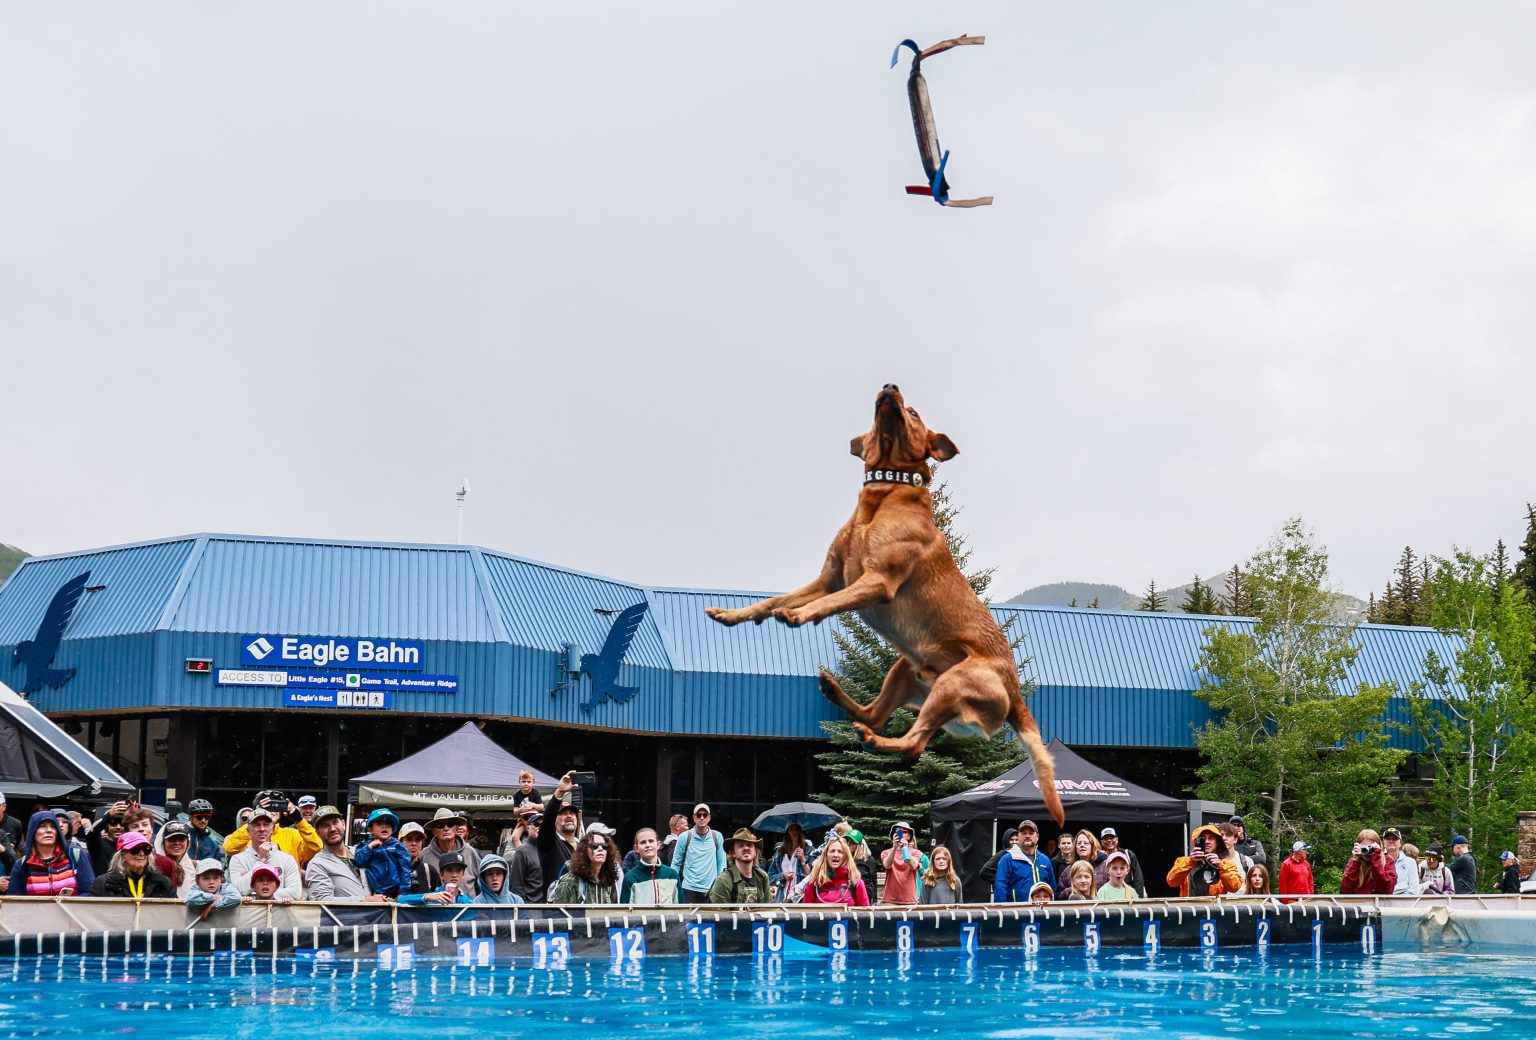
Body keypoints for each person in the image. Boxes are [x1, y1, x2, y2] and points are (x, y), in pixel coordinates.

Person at [8, 809, 95, 896]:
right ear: (33, 831)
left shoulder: (76, 856)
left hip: (71, 909)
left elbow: (89, 892)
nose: (49, 830)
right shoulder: (22, 865)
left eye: (53, 826)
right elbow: (14, 901)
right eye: (42, 826)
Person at [222, 791, 321, 867]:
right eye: (268, 807)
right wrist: (256, 818)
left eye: (276, 806)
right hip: (256, 891)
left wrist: (299, 820)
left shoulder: (293, 835)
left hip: (289, 892)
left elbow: (317, 846)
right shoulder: (249, 837)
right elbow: (229, 847)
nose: (272, 811)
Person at [306, 804, 380, 902]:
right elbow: (322, 902)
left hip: (377, 916)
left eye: (335, 822)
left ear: (343, 824)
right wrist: (366, 900)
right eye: (325, 826)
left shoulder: (361, 852)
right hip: (341, 917)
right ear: (318, 833)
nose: (332, 829)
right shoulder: (317, 864)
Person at [226, 806, 303, 900]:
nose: (262, 829)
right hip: (250, 914)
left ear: (272, 829)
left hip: (280, 913)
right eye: (256, 825)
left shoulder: (287, 859)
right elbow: (238, 891)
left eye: (266, 824)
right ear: (248, 831)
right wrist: (261, 861)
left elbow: (295, 892)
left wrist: (258, 896)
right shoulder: (238, 859)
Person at [90, 832, 174, 899]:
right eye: (135, 849)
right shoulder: (103, 883)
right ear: (122, 855)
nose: (141, 853)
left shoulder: (163, 883)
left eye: (146, 849)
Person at [673, 803, 727, 904]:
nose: (702, 818)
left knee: (710, 919)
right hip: (689, 888)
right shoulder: (684, 837)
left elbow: (722, 864)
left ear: (709, 818)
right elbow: (676, 863)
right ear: (694, 818)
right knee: (688, 919)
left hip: (711, 888)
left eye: (705, 815)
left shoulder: (717, 836)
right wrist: (672, 885)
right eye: (699, 815)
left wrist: (719, 886)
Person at [1167, 825, 1243, 897]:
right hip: (1190, 909)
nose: (1207, 842)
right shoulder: (1183, 862)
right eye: (1203, 839)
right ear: (1196, 842)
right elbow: (1172, 881)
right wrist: (1190, 861)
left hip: (1214, 909)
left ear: (1217, 842)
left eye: (1211, 838)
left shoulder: (1227, 864)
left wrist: (1220, 866)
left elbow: (1234, 887)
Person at [536, 778, 585, 888]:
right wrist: (560, 792)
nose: (569, 816)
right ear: (554, 819)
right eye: (563, 813)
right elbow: (547, 820)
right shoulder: (549, 842)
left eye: (572, 813)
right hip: (557, 904)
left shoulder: (584, 846)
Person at [421, 808, 483, 895]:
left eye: (450, 824)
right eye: (440, 825)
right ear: (434, 831)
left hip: (468, 907)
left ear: (456, 828)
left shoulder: (470, 852)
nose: (446, 828)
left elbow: (484, 883)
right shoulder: (425, 855)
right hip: (435, 907)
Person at [353, 808, 412, 899]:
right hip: (371, 894)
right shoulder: (364, 846)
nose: (384, 827)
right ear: (371, 829)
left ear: (393, 829)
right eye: (379, 824)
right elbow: (359, 862)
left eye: (388, 824)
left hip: (394, 894)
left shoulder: (399, 847)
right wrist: (370, 847)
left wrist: (402, 893)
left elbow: (405, 870)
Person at [995, 819, 1056, 903]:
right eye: (1024, 833)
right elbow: (1000, 887)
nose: (1027, 836)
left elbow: (1052, 888)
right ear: (1018, 836)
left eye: (1031, 833)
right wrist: (1003, 911)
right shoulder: (1007, 859)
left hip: (1042, 912)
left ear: (1037, 837)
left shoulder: (1045, 860)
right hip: (1017, 912)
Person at [549, 832, 620, 904]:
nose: (600, 848)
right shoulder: (570, 881)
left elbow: (613, 913)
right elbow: (560, 913)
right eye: (594, 846)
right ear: (584, 850)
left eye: (604, 846)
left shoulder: (609, 882)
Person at [801, 836, 870, 906]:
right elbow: (806, 912)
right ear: (825, 855)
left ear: (846, 856)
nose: (836, 855)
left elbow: (865, 913)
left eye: (840, 852)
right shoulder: (814, 883)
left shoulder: (855, 882)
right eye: (832, 851)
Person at [709, 829, 772, 903]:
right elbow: (719, 913)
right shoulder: (724, 880)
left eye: (749, 845)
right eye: (741, 845)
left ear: (755, 852)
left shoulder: (763, 877)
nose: (746, 848)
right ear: (733, 853)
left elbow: (768, 908)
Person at [620, 827, 681, 905]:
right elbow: (625, 911)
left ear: (658, 845)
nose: (647, 845)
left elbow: (680, 908)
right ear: (636, 848)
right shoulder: (630, 878)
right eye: (643, 842)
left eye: (651, 841)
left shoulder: (672, 874)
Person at [398, 852, 475, 907]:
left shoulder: (467, 901)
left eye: (458, 871)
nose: (454, 875)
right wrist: (427, 897)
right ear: (441, 875)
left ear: (463, 875)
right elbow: (400, 900)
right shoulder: (433, 896)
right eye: (449, 870)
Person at [1341, 829, 1397, 895]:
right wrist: (1355, 862)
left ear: (1378, 846)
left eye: (1370, 848)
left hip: (1379, 904)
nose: (1367, 851)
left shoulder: (1387, 861)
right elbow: (1345, 890)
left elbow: (1386, 889)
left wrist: (1376, 858)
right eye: (1363, 848)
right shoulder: (1355, 864)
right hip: (1358, 903)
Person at [880, 822, 922, 905]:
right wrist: (894, 848)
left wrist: (905, 848)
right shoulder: (886, 852)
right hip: (890, 900)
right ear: (893, 836)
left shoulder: (916, 853)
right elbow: (887, 865)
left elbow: (913, 866)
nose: (901, 833)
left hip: (909, 900)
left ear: (909, 836)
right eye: (898, 831)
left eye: (905, 831)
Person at [767, 823, 811, 902]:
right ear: (787, 832)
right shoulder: (780, 853)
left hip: (801, 898)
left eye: (796, 829)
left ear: (800, 832)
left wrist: (803, 859)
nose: (794, 832)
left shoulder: (809, 850)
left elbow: (813, 875)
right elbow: (770, 877)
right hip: (782, 898)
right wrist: (783, 875)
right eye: (791, 829)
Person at [507, 813, 544, 903]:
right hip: (531, 909)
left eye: (543, 825)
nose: (539, 828)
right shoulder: (522, 852)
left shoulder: (550, 849)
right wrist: (525, 909)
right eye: (536, 824)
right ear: (528, 828)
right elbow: (515, 886)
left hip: (551, 908)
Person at [154, 820, 197, 898]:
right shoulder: (152, 867)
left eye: (181, 839)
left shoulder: (195, 868)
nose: (177, 843)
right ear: (162, 842)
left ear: (188, 843)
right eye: (172, 839)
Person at [1097, 828, 1146, 897]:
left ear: (1117, 840)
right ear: (1102, 842)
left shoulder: (1128, 854)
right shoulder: (1098, 858)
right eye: (1105, 838)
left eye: (1111, 838)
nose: (1109, 840)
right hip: (1107, 896)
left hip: (1128, 896)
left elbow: (1138, 879)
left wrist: (1137, 900)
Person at [399, 821, 440, 896]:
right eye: (409, 839)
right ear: (400, 843)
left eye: (418, 840)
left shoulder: (430, 871)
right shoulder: (391, 870)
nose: (414, 843)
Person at [1380, 827, 1420, 895]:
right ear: (1383, 843)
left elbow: (1414, 888)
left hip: (1404, 901)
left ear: (1400, 843)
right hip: (1381, 900)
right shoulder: (1378, 861)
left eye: (1394, 839)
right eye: (1388, 839)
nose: (1391, 841)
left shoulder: (1410, 862)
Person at [978, 828, 1018, 895]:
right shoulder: (1002, 855)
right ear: (1006, 840)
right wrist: (1000, 881)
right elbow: (984, 872)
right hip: (1004, 894)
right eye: (1011, 840)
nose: (1014, 842)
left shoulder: (1021, 855)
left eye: (1017, 840)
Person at [185, 799, 225, 864]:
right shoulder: (181, 838)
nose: (203, 820)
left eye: (207, 817)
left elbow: (217, 869)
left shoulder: (212, 844)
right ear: (191, 817)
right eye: (199, 817)